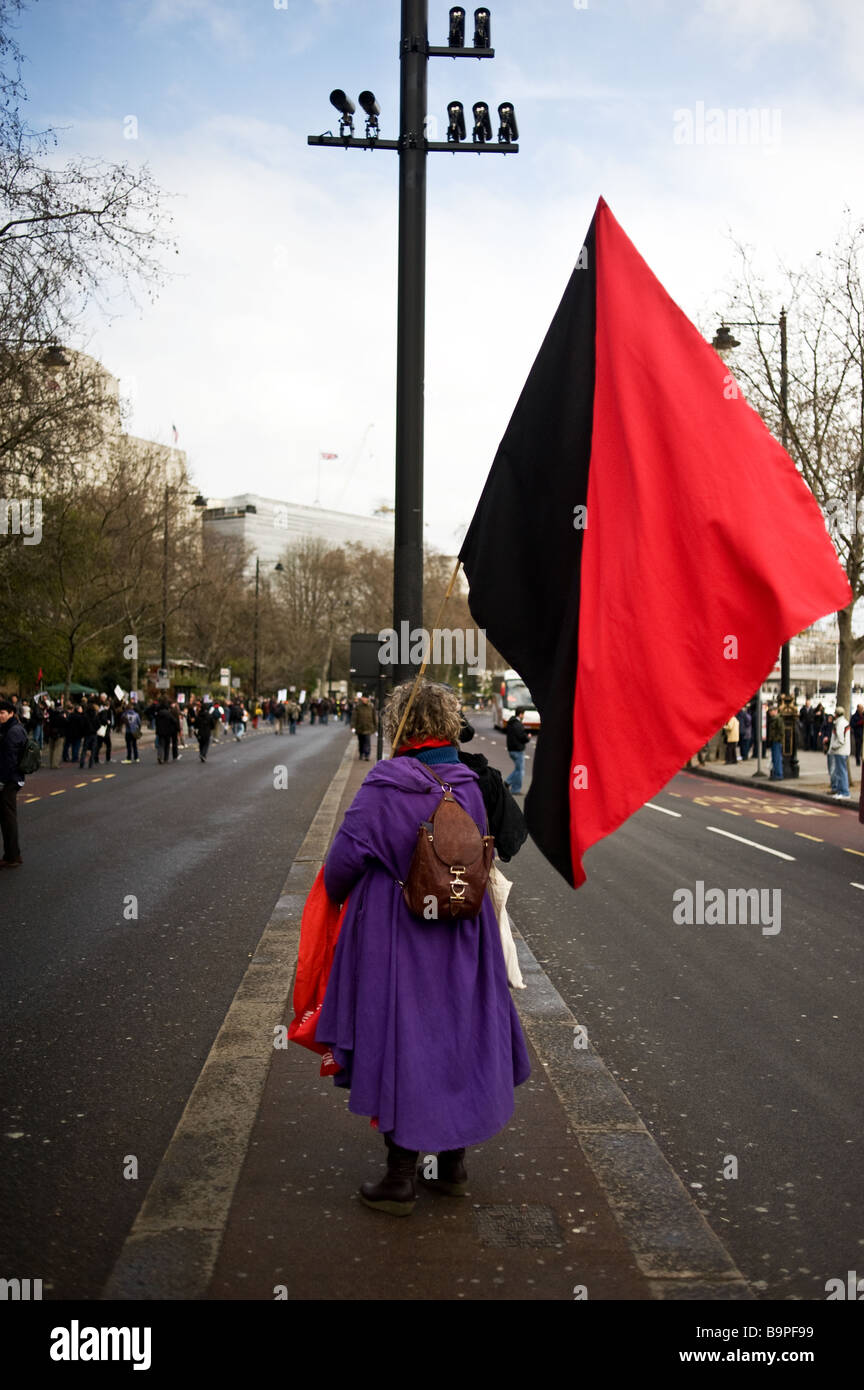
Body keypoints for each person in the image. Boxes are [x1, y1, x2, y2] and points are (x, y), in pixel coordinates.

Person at [315, 679, 531, 1216]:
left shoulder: (384, 785)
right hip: (464, 935)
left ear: (401, 727)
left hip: (401, 938)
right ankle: (452, 1167)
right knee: (457, 1037)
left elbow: (340, 869)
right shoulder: (473, 783)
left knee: (405, 1040)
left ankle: (400, 1177)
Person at [0, 698, 28, 867]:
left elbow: (9, 760)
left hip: (10, 780)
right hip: (12, 779)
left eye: (2, 713)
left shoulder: (12, 731)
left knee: (8, 818)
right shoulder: (10, 728)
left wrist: (2, 781)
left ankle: (13, 856)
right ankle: (11, 854)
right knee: (6, 818)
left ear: (11, 713)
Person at [504, 706, 531, 794]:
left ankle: (507, 782)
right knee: (520, 771)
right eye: (523, 714)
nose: (524, 716)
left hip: (511, 749)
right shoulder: (517, 724)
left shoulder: (511, 722)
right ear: (520, 714)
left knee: (517, 770)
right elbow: (522, 737)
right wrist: (528, 737)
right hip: (517, 750)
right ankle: (515, 789)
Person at [828, 705, 851, 799]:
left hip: (840, 751)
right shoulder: (844, 722)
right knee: (841, 771)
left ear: (836, 714)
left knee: (841, 772)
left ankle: (844, 792)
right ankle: (841, 791)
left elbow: (841, 740)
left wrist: (833, 747)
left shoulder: (839, 724)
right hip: (844, 751)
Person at [352, 694, 377, 761]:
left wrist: (376, 726)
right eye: (363, 698)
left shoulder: (371, 706)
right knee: (361, 742)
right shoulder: (358, 706)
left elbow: (374, 717)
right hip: (359, 727)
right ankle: (361, 753)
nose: (364, 699)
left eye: (365, 698)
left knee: (367, 742)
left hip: (368, 727)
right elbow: (354, 717)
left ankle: (367, 755)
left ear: (367, 698)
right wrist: (353, 726)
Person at [154, 700, 179, 764]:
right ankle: (165, 758)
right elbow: (174, 721)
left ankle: (160, 756)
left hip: (160, 731)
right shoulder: (169, 714)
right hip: (168, 731)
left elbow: (156, 722)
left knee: (160, 744)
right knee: (167, 745)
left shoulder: (158, 714)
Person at [766, 702, 784, 780]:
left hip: (776, 741)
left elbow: (781, 731)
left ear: (775, 711)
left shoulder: (778, 719)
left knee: (777, 758)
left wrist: (777, 739)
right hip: (774, 741)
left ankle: (778, 774)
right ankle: (776, 773)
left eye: (771, 711)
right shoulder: (773, 719)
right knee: (774, 758)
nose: (770, 713)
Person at [850, 703, 864, 768]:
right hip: (858, 734)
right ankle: (858, 761)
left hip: (862, 734)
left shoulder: (863, 715)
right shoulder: (854, 716)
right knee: (858, 748)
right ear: (858, 708)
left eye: (862, 708)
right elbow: (852, 725)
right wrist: (859, 723)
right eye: (861, 708)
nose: (862, 710)